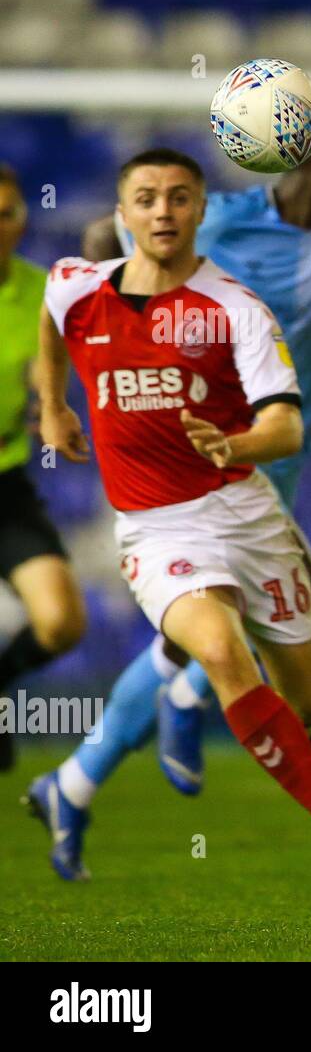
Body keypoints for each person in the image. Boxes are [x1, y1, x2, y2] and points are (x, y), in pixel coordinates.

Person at [55, 102, 311, 816]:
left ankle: (91, 771)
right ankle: (164, 724)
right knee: (232, 618)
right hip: (193, 449)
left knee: (241, 618)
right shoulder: (220, 215)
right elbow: (104, 239)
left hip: (277, 445)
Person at [0, 164, 86, 771]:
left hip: (5, 485)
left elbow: (45, 377)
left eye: (5, 213)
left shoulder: (40, 296)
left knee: (60, 622)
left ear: (22, 222)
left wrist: (48, 405)